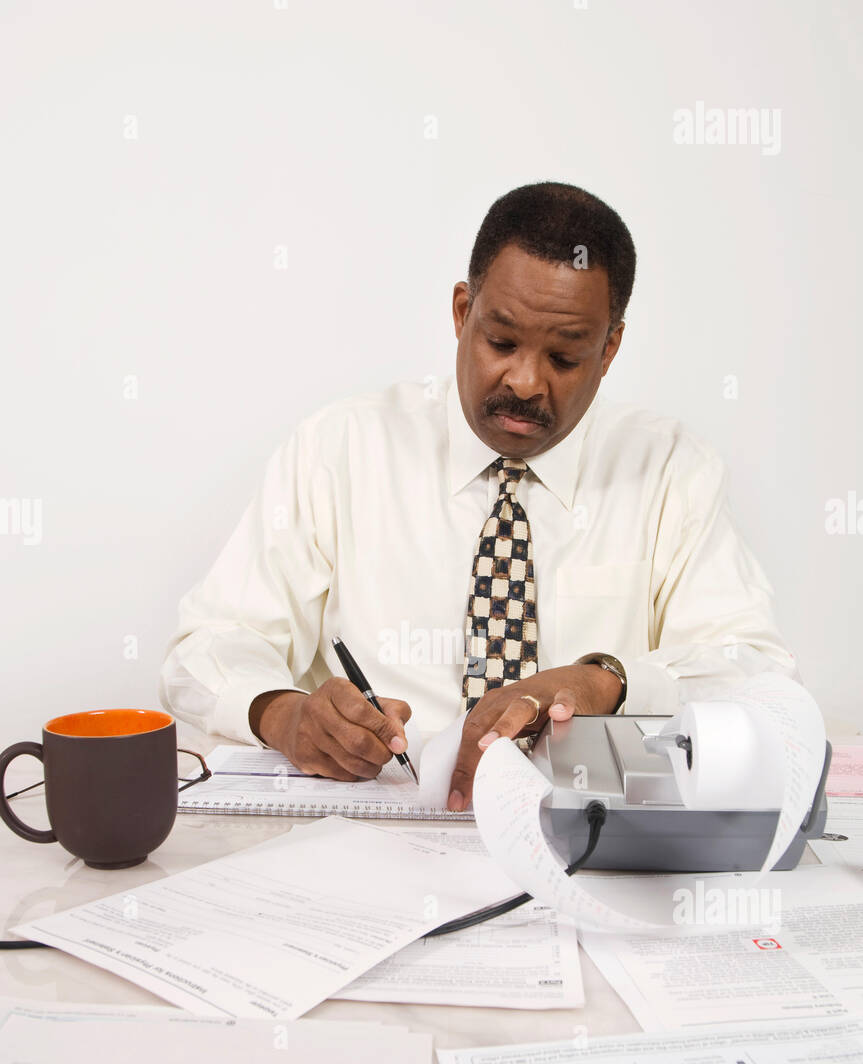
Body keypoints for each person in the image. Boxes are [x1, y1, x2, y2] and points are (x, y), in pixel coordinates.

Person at [159, 181, 796, 812]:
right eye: (501, 341)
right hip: (370, 841)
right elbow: (209, 646)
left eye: (566, 357)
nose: (524, 381)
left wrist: (606, 681)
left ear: (609, 349)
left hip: (582, 843)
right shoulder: (341, 448)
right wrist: (284, 714)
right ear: (463, 312)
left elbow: (756, 677)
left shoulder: (670, 470)